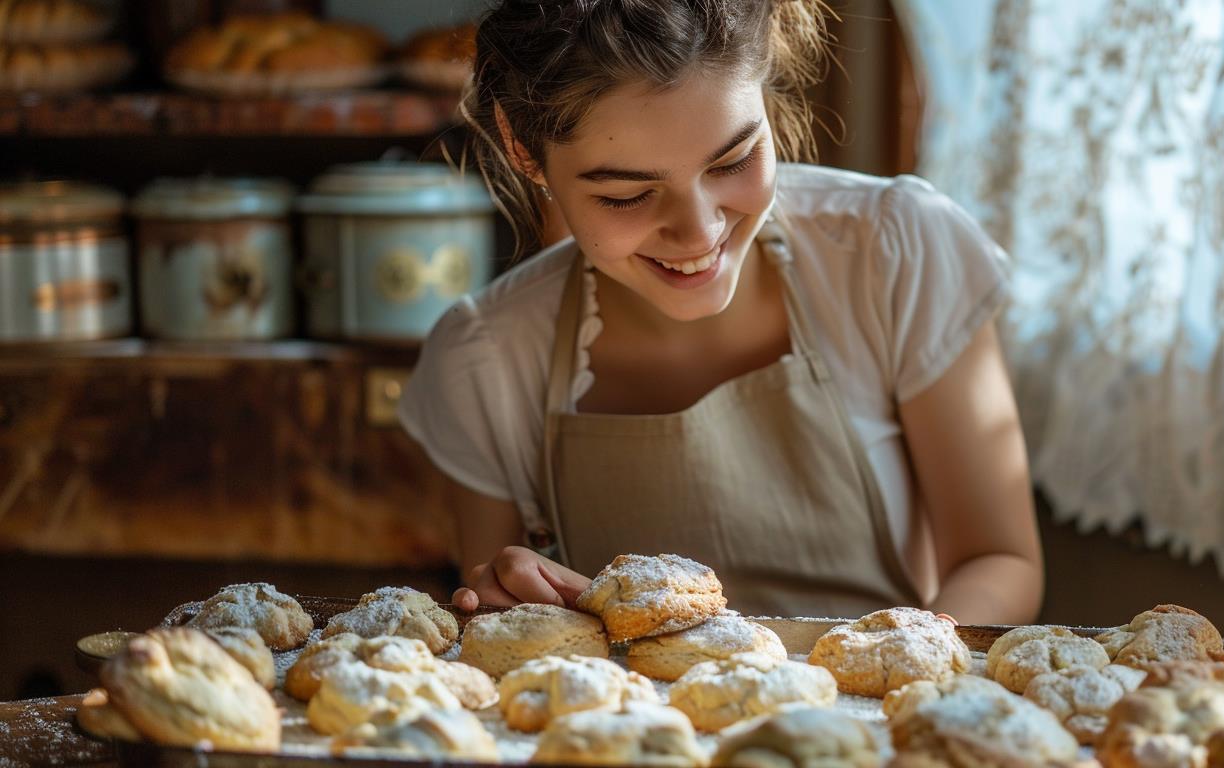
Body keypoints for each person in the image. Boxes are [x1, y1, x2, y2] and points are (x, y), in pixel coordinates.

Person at [399, 0, 1044, 625]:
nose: (698, 232)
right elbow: (501, 629)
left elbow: (1000, 559)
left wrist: (905, 669)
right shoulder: (485, 358)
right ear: (521, 147)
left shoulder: (897, 252)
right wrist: (506, 594)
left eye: (734, 161)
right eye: (626, 195)